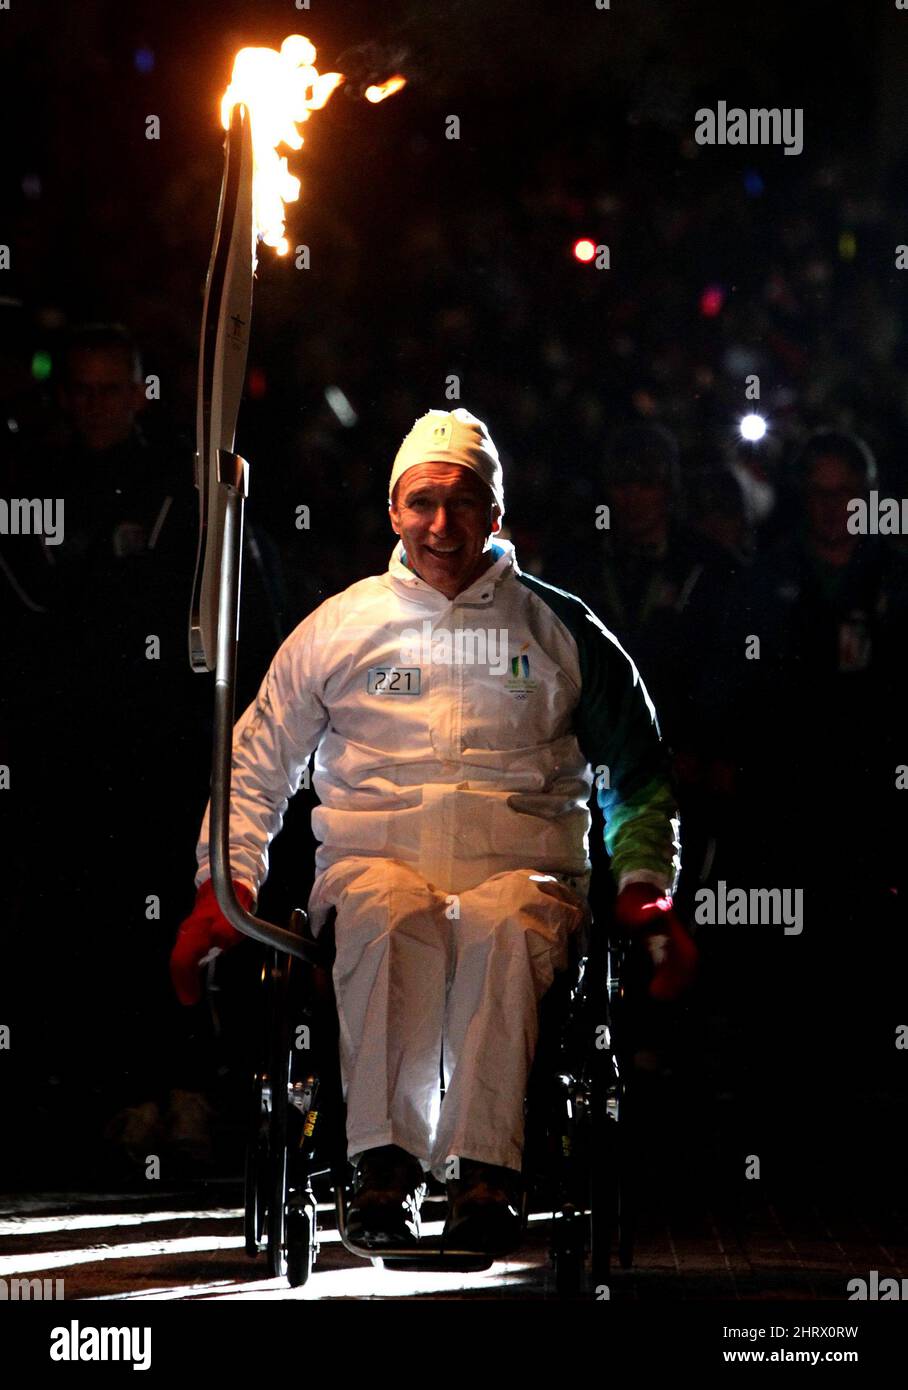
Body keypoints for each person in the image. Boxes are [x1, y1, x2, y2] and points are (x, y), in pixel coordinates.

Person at [170, 408, 696, 1252]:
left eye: (463, 502)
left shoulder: (559, 629)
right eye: (422, 503)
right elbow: (258, 762)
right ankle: (383, 1165)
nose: (441, 525)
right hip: (374, 863)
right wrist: (224, 883)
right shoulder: (339, 628)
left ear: (496, 512)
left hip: (527, 870)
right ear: (393, 511)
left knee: (502, 923)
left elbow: (638, 775)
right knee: (386, 918)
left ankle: (488, 1175)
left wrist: (645, 888)